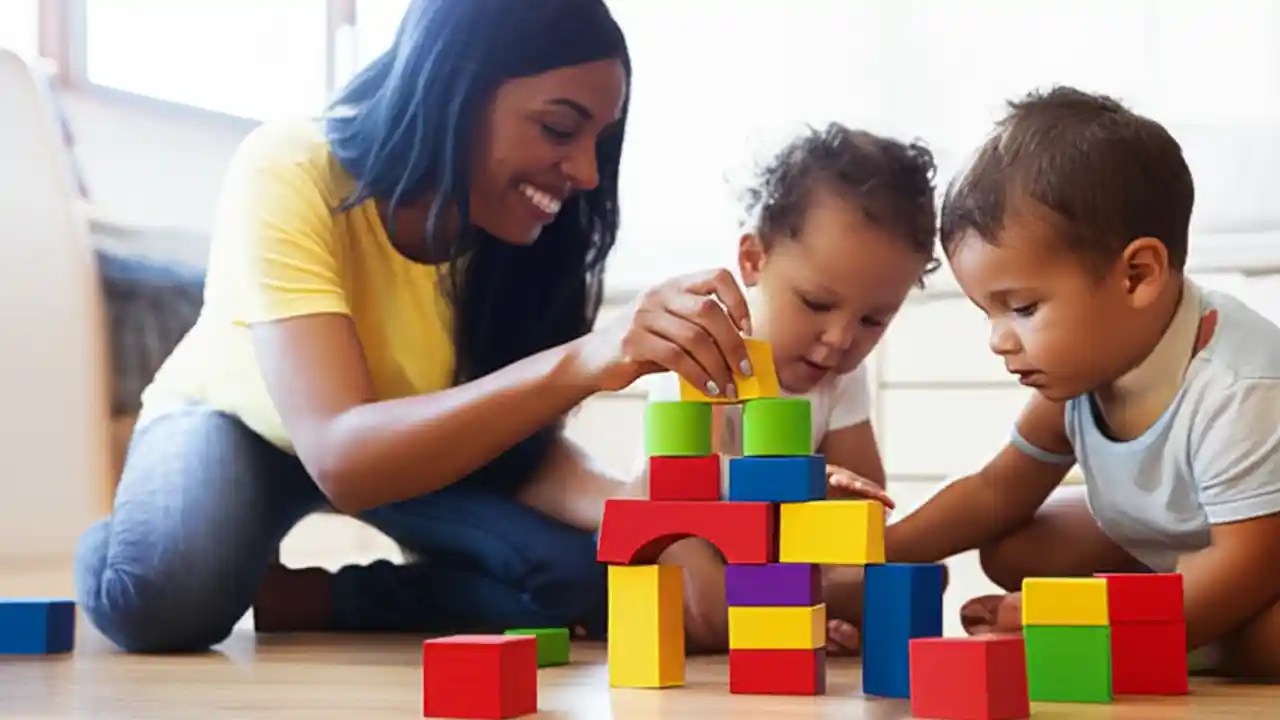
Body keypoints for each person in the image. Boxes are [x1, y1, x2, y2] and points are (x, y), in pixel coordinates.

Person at [73, 0, 761, 653]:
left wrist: (652, 515)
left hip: (405, 453)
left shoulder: (521, 235)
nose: (584, 171)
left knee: (583, 579)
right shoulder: (291, 165)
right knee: (162, 597)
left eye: (598, 141)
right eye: (558, 129)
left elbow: (515, 452)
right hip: (237, 426)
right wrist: (587, 357)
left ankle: (306, 602)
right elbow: (342, 455)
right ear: (456, 87)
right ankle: (136, 538)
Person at [867, 86, 1280, 680]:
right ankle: (1175, 614)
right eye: (989, 313)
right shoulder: (1087, 369)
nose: (999, 341)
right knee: (1013, 547)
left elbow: (1251, 563)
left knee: (1267, 637)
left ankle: (1196, 636)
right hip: (1187, 543)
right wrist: (870, 554)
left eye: (1024, 309)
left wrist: (1072, 627)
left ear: (1138, 275)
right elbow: (994, 491)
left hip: (1260, 556)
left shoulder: (1240, 389)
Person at [641, 122, 942, 653]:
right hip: (705, 545)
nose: (839, 340)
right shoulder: (704, 348)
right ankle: (773, 625)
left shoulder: (841, 378)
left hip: (785, 553)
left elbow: (863, 491)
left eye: (873, 320)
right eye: (817, 304)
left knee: (914, 571)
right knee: (689, 571)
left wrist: (838, 501)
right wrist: (799, 485)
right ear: (754, 260)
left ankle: (797, 620)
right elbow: (689, 495)